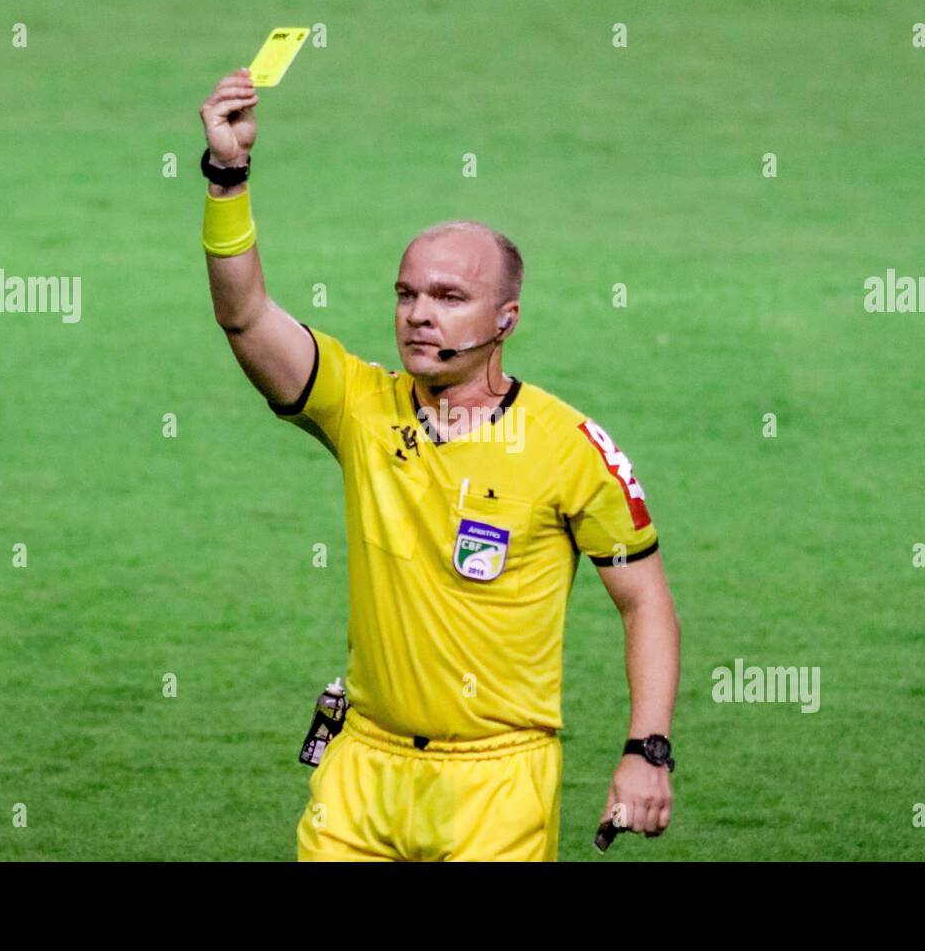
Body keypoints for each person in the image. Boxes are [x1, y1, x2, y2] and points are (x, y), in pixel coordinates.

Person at [199, 69, 681, 861]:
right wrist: (227, 178)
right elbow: (244, 314)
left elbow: (644, 601)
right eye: (407, 294)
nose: (420, 314)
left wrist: (647, 749)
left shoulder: (568, 445)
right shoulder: (360, 404)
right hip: (363, 767)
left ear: (505, 320)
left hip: (497, 784)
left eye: (450, 297)